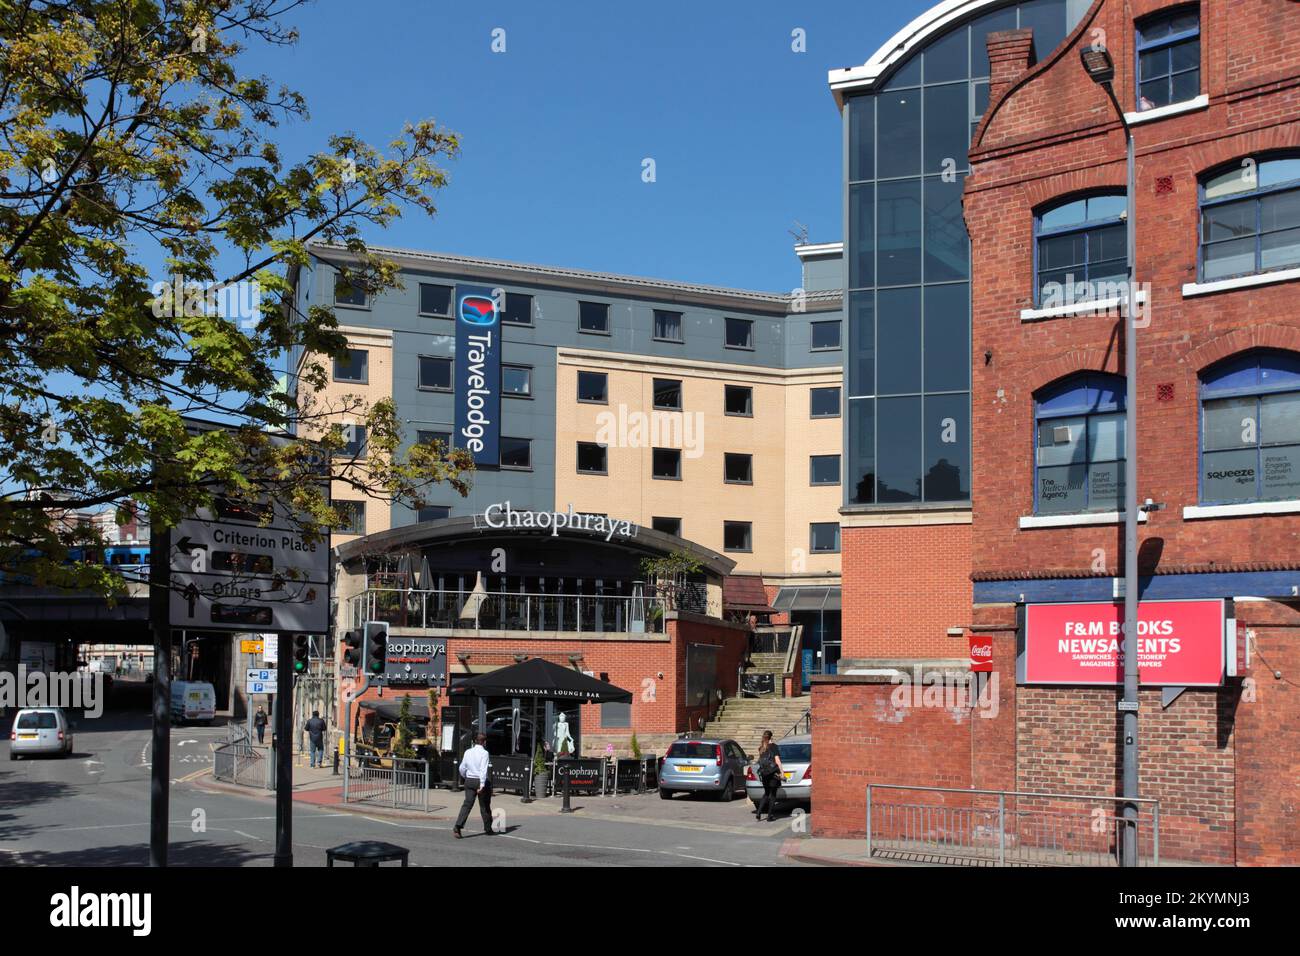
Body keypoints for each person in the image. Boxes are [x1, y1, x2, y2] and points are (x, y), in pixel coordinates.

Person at [454, 732, 494, 838]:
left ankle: (458, 826)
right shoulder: (484, 753)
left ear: (475, 741)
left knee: (467, 805)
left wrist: (465, 776)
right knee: (484, 805)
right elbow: (483, 770)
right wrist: (481, 785)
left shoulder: (468, 752)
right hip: (478, 780)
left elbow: (462, 767)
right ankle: (488, 827)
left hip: (469, 780)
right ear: (484, 742)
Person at [755, 730, 784, 823]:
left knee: (766, 793)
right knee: (773, 794)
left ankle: (758, 813)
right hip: (773, 773)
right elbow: (777, 760)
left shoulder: (761, 748)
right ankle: (769, 816)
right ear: (771, 737)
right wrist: (782, 772)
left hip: (764, 774)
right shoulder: (774, 747)